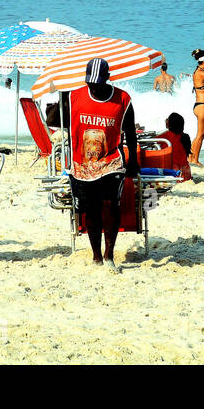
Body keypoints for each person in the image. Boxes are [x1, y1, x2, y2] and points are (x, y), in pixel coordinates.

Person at [62, 57, 138, 273]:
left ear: (107, 79)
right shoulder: (74, 96)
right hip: (82, 164)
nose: (93, 87)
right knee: (91, 210)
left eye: (97, 83)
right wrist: (57, 102)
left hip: (110, 161)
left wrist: (132, 158)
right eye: (90, 83)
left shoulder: (123, 100)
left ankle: (109, 255)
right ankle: (96, 255)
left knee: (110, 205)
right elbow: (56, 120)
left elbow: (130, 132)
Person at [162, 112, 193, 181]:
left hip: (175, 173)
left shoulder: (165, 136)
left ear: (170, 123)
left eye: (168, 119)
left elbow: (150, 141)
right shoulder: (185, 137)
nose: (166, 120)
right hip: (186, 173)